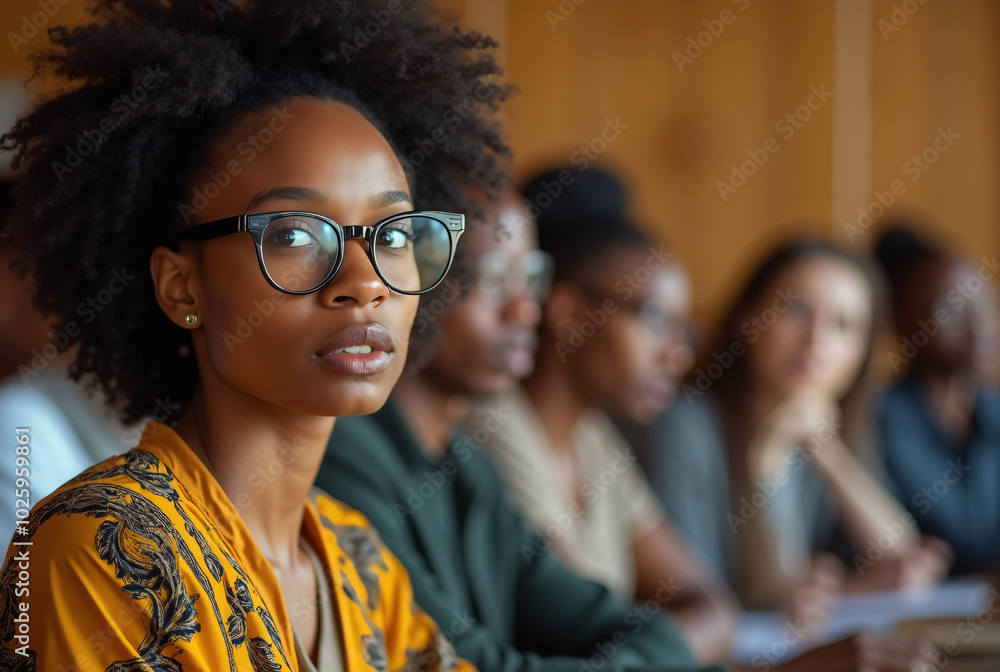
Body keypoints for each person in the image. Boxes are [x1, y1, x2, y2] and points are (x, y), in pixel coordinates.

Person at [0, 0, 511, 669]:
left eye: (393, 235)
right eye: (294, 235)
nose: (365, 281)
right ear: (182, 288)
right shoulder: (101, 548)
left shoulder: (360, 562)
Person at [317, 191, 938, 672]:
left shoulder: (468, 457)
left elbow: (687, 610)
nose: (526, 309)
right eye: (496, 279)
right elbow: (482, 664)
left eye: (530, 281)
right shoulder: (408, 446)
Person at [465, 168, 739, 663]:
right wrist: (664, 649)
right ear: (568, 312)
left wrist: (651, 650)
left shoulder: (593, 437)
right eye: (656, 320)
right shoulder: (492, 425)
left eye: (685, 330)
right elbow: (578, 627)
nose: (677, 355)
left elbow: (714, 608)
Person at [642, 238, 951, 617]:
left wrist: (829, 454)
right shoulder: (686, 427)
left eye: (844, 325)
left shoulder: (826, 427)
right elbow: (705, 602)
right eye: (796, 310)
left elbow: (901, 559)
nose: (816, 340)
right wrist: (762, 462)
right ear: (747, 318)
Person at [875, 225, 1000, 577]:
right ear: (901, 321)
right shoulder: (879, 418)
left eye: (985, 303)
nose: (979, 324)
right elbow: (964, 539)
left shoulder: (992, 408)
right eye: (951, 309)